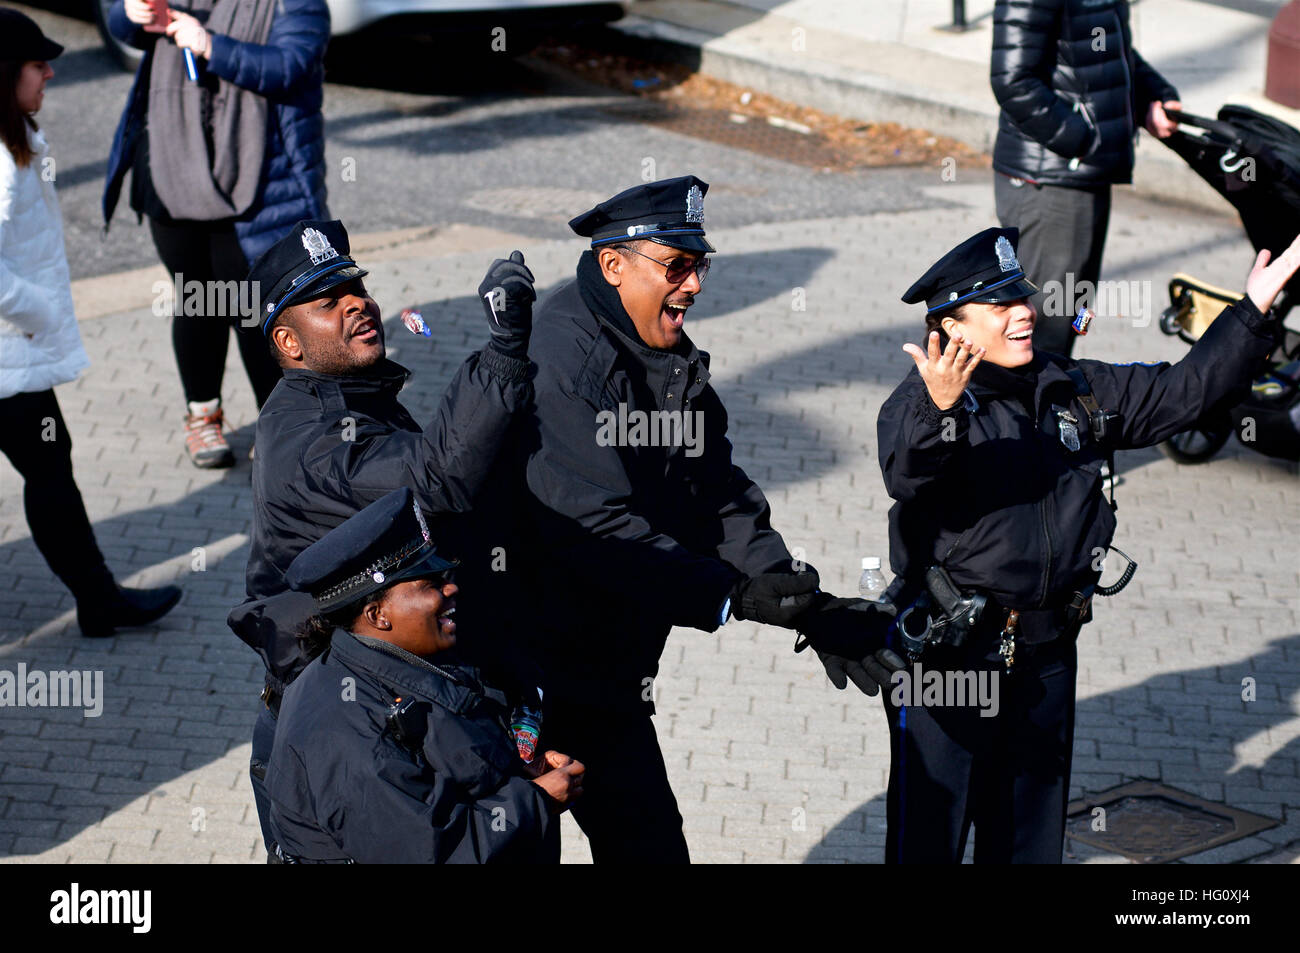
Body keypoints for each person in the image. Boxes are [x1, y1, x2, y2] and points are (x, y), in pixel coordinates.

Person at [877, 225, 1300, 863]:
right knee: (929, 842)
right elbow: (906, 471)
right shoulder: (925, 402)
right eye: (999, 305)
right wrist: (940, 410)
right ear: (952, 328)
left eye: (1021, 296)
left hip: (1045, 652)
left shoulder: (1072, 385)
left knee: (1028, 842)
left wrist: (1252, 312)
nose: (1022, 313)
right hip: (952, 660)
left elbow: (1181, 395)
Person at [518, 175, 892, 863]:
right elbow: (599, 532)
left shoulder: (658, 353)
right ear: (613, 264)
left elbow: (713, 492)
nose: (694, 286)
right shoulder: (563, 362)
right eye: (677, 266)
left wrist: (802, 601)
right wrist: (727, 596)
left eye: (700, 265)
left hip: (604, 673)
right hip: (522, 676)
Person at [227, 218, 538, 855]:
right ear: (288, 342)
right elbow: (437, 478)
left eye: (357, 288)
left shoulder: (350, 395)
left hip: (391, 702)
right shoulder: (314, 441)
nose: (357, 304)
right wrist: (504, 350)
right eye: (327, 301)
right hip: (349, 737)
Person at [266, 487, 583, 863]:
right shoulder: (348, 731)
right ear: (377, 615)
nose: (451, 589)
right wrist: (536, 800)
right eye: (429, 584)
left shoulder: (408, 659)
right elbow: (426, 853)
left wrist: (521, 771)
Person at [0, 9, 180, 639]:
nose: (51, 70)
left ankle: (98, 598)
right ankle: (99, 599)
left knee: (51, 464)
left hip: (11, 355)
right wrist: (38, 311)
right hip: (8, 351)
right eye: (36, 63)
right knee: (50, 466)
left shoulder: (14, 137)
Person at [102, 0, 330, 467]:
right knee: (196, 297)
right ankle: (203, 417)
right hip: (169, 167)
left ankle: (279, 430)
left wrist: (210, 45)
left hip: (255, 182)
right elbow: (121, 27)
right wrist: (131, 12)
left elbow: (290, 66)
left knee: (254, 308)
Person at [991, 0, 1181, 358]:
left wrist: (1152, 96)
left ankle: (1046, 407)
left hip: (1082, 173)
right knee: (1041, 328)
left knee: (1069, 315)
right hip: (1054, 179)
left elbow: (1104, 48)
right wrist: (1084, 141)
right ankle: (1027, 413)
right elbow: (1013, 81)